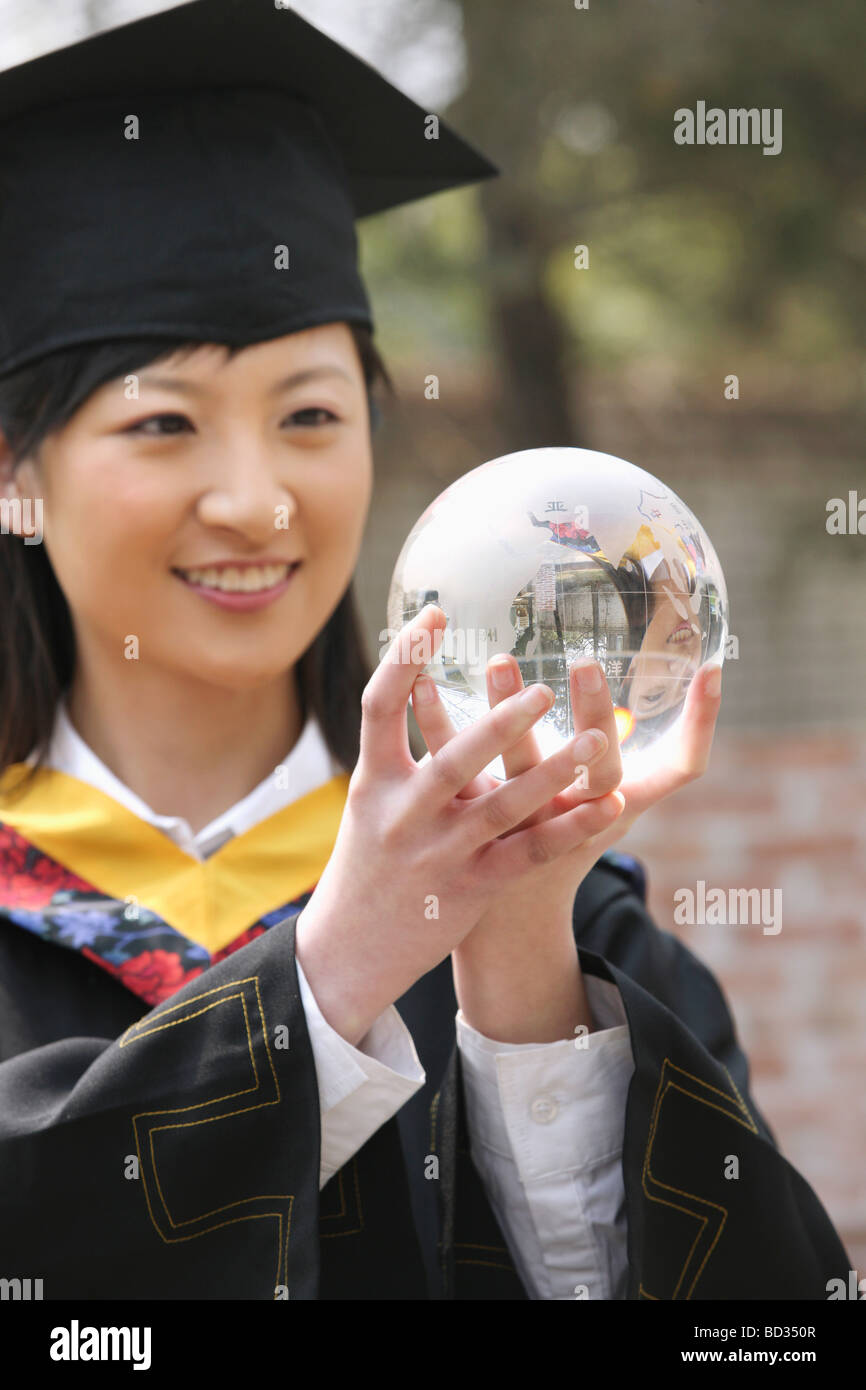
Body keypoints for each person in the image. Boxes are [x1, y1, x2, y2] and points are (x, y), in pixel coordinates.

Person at [0, 0, 851, 1301]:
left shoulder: (571, 916)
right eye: (164, 424)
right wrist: (333, 969)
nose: (256, 498)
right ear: (14, 475)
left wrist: (519, 969)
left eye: (309, 413)